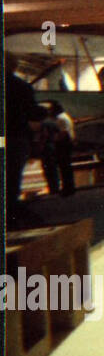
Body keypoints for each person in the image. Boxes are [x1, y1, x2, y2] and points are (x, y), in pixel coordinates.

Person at [5, 51, 42, 227]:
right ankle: (12, 214)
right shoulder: (21, 86)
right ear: (14, 66)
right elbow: (33, 112)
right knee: (12, 177)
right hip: (15, 137)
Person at [47, 100, 77, 197]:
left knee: (64, 167)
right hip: (65, 144)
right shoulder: (64, 117)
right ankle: (68, 188)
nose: (49, 111)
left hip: (63, 145)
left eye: (50, 109)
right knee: (65, 167)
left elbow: (63, 134)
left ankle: (68, 188)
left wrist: (51, 140)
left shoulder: (61, 119)